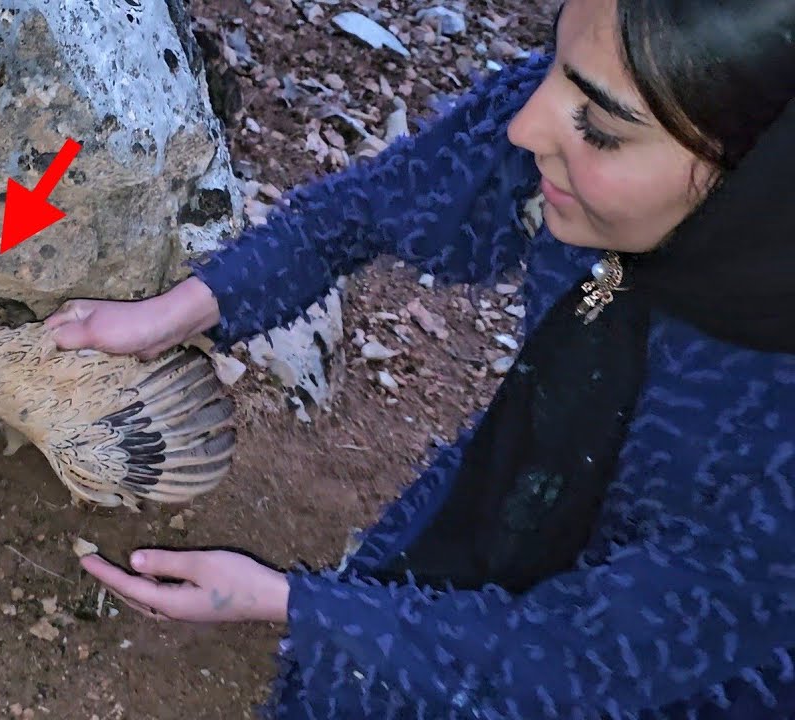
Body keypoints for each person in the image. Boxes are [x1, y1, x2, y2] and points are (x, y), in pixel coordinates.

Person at [43, 0, 795, 717]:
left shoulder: (774, 443)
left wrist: (296, 604)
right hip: (513, 488)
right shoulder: (593, 114)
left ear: (759, 180)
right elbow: (371, 205)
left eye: (598, 129)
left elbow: (587, 661)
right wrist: (169, 316)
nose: (529, 124)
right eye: (552, 62)